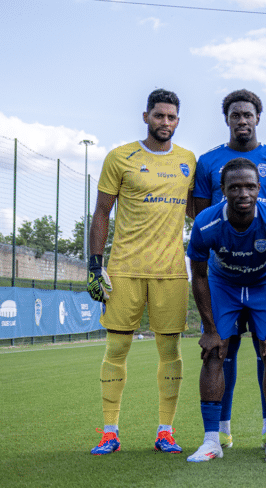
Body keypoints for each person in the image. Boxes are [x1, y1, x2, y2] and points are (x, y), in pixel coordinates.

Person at [87, 89, 195, 455]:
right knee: (117, 346)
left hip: (170, 271)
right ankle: (109, 432)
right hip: (125, 268)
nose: (165, 122)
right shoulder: (120, 157)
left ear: (178, 121)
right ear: (146, 116)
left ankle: (165, 430)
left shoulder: (188, 161)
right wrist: (93, 264)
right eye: (159, 115)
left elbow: (200, 211)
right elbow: (102, 211)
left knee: (170, 348)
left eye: (172, 117)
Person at [189, 89, 266, 450]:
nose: (242, 120)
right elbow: (200, 216)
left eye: (248, 114)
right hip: (223, 275)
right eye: (236, 115)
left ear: (257, 117)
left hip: (264, 274)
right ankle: (217, 435)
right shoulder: (208, 163)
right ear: (227, 119)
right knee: (218, 349)